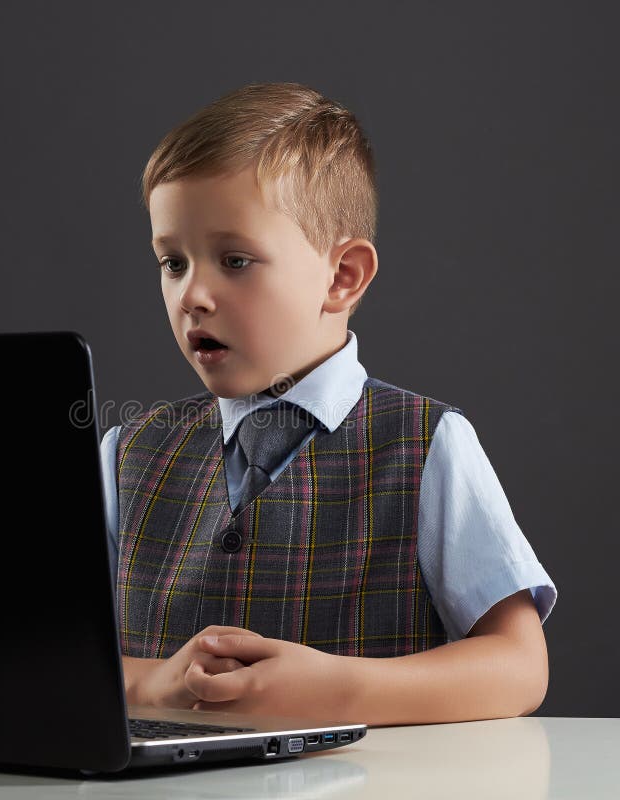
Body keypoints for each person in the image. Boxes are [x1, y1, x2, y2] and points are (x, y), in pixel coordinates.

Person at [99, 82, 557, 725]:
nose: (192, 294)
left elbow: (519, 665)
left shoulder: (425, 445)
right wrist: (150, 686)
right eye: (172, 263)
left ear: (342, 277)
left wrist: (340, 689)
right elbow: (41, 655)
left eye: (234, 260)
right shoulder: (126, 455)